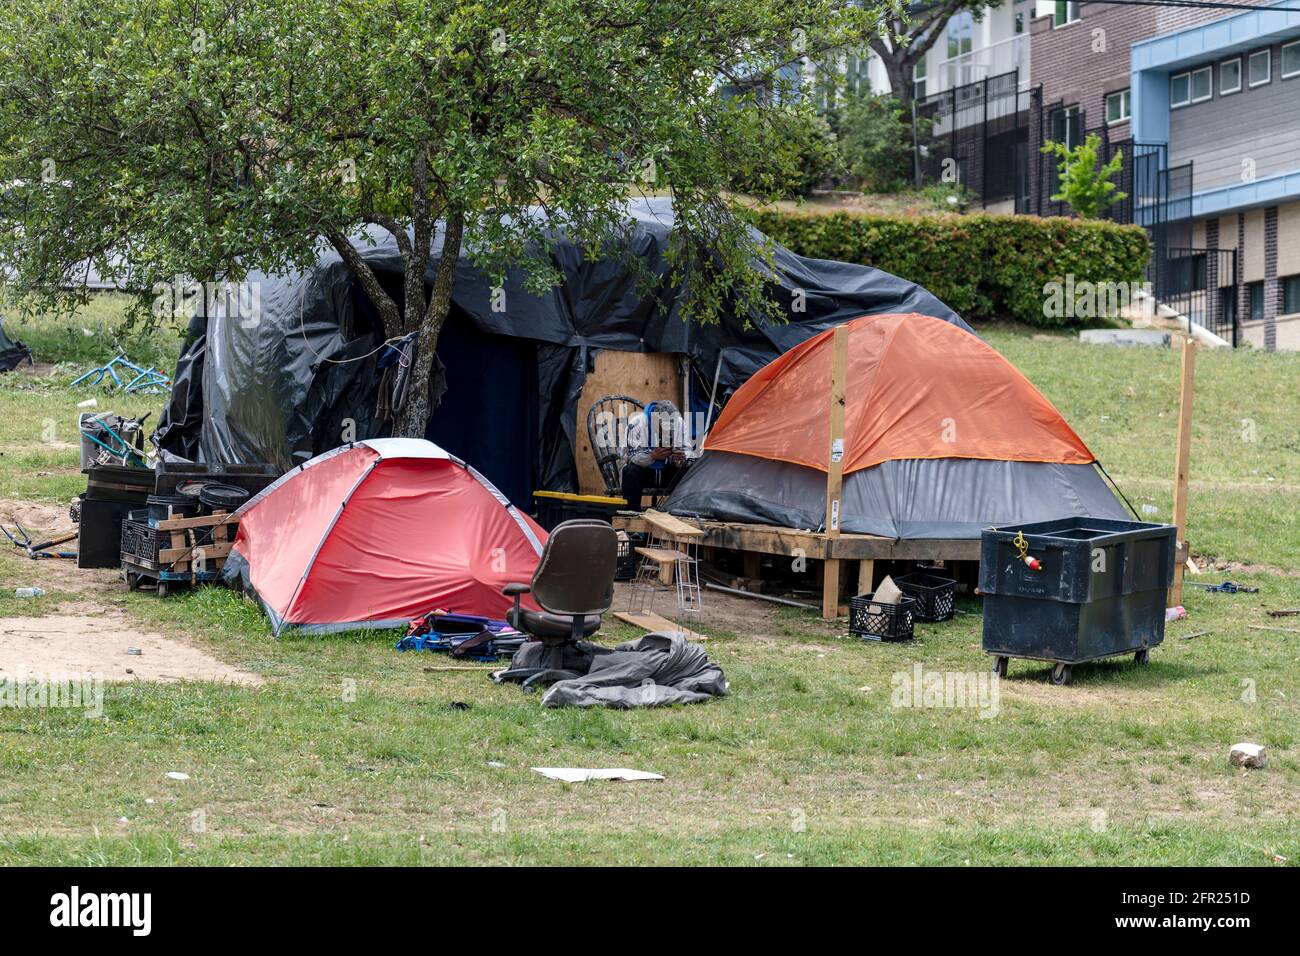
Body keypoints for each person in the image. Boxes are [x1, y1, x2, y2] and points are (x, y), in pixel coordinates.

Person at [620, 399, 691, 510]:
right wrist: (652, 456)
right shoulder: (637, 423)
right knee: (630, 472)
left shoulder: (679, 422)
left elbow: (687, 449)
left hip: (667, 471)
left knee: (688, 472)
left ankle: (679, 512)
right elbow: (632, 457)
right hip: (643, 472)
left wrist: (679, 458)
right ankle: (631, 511)